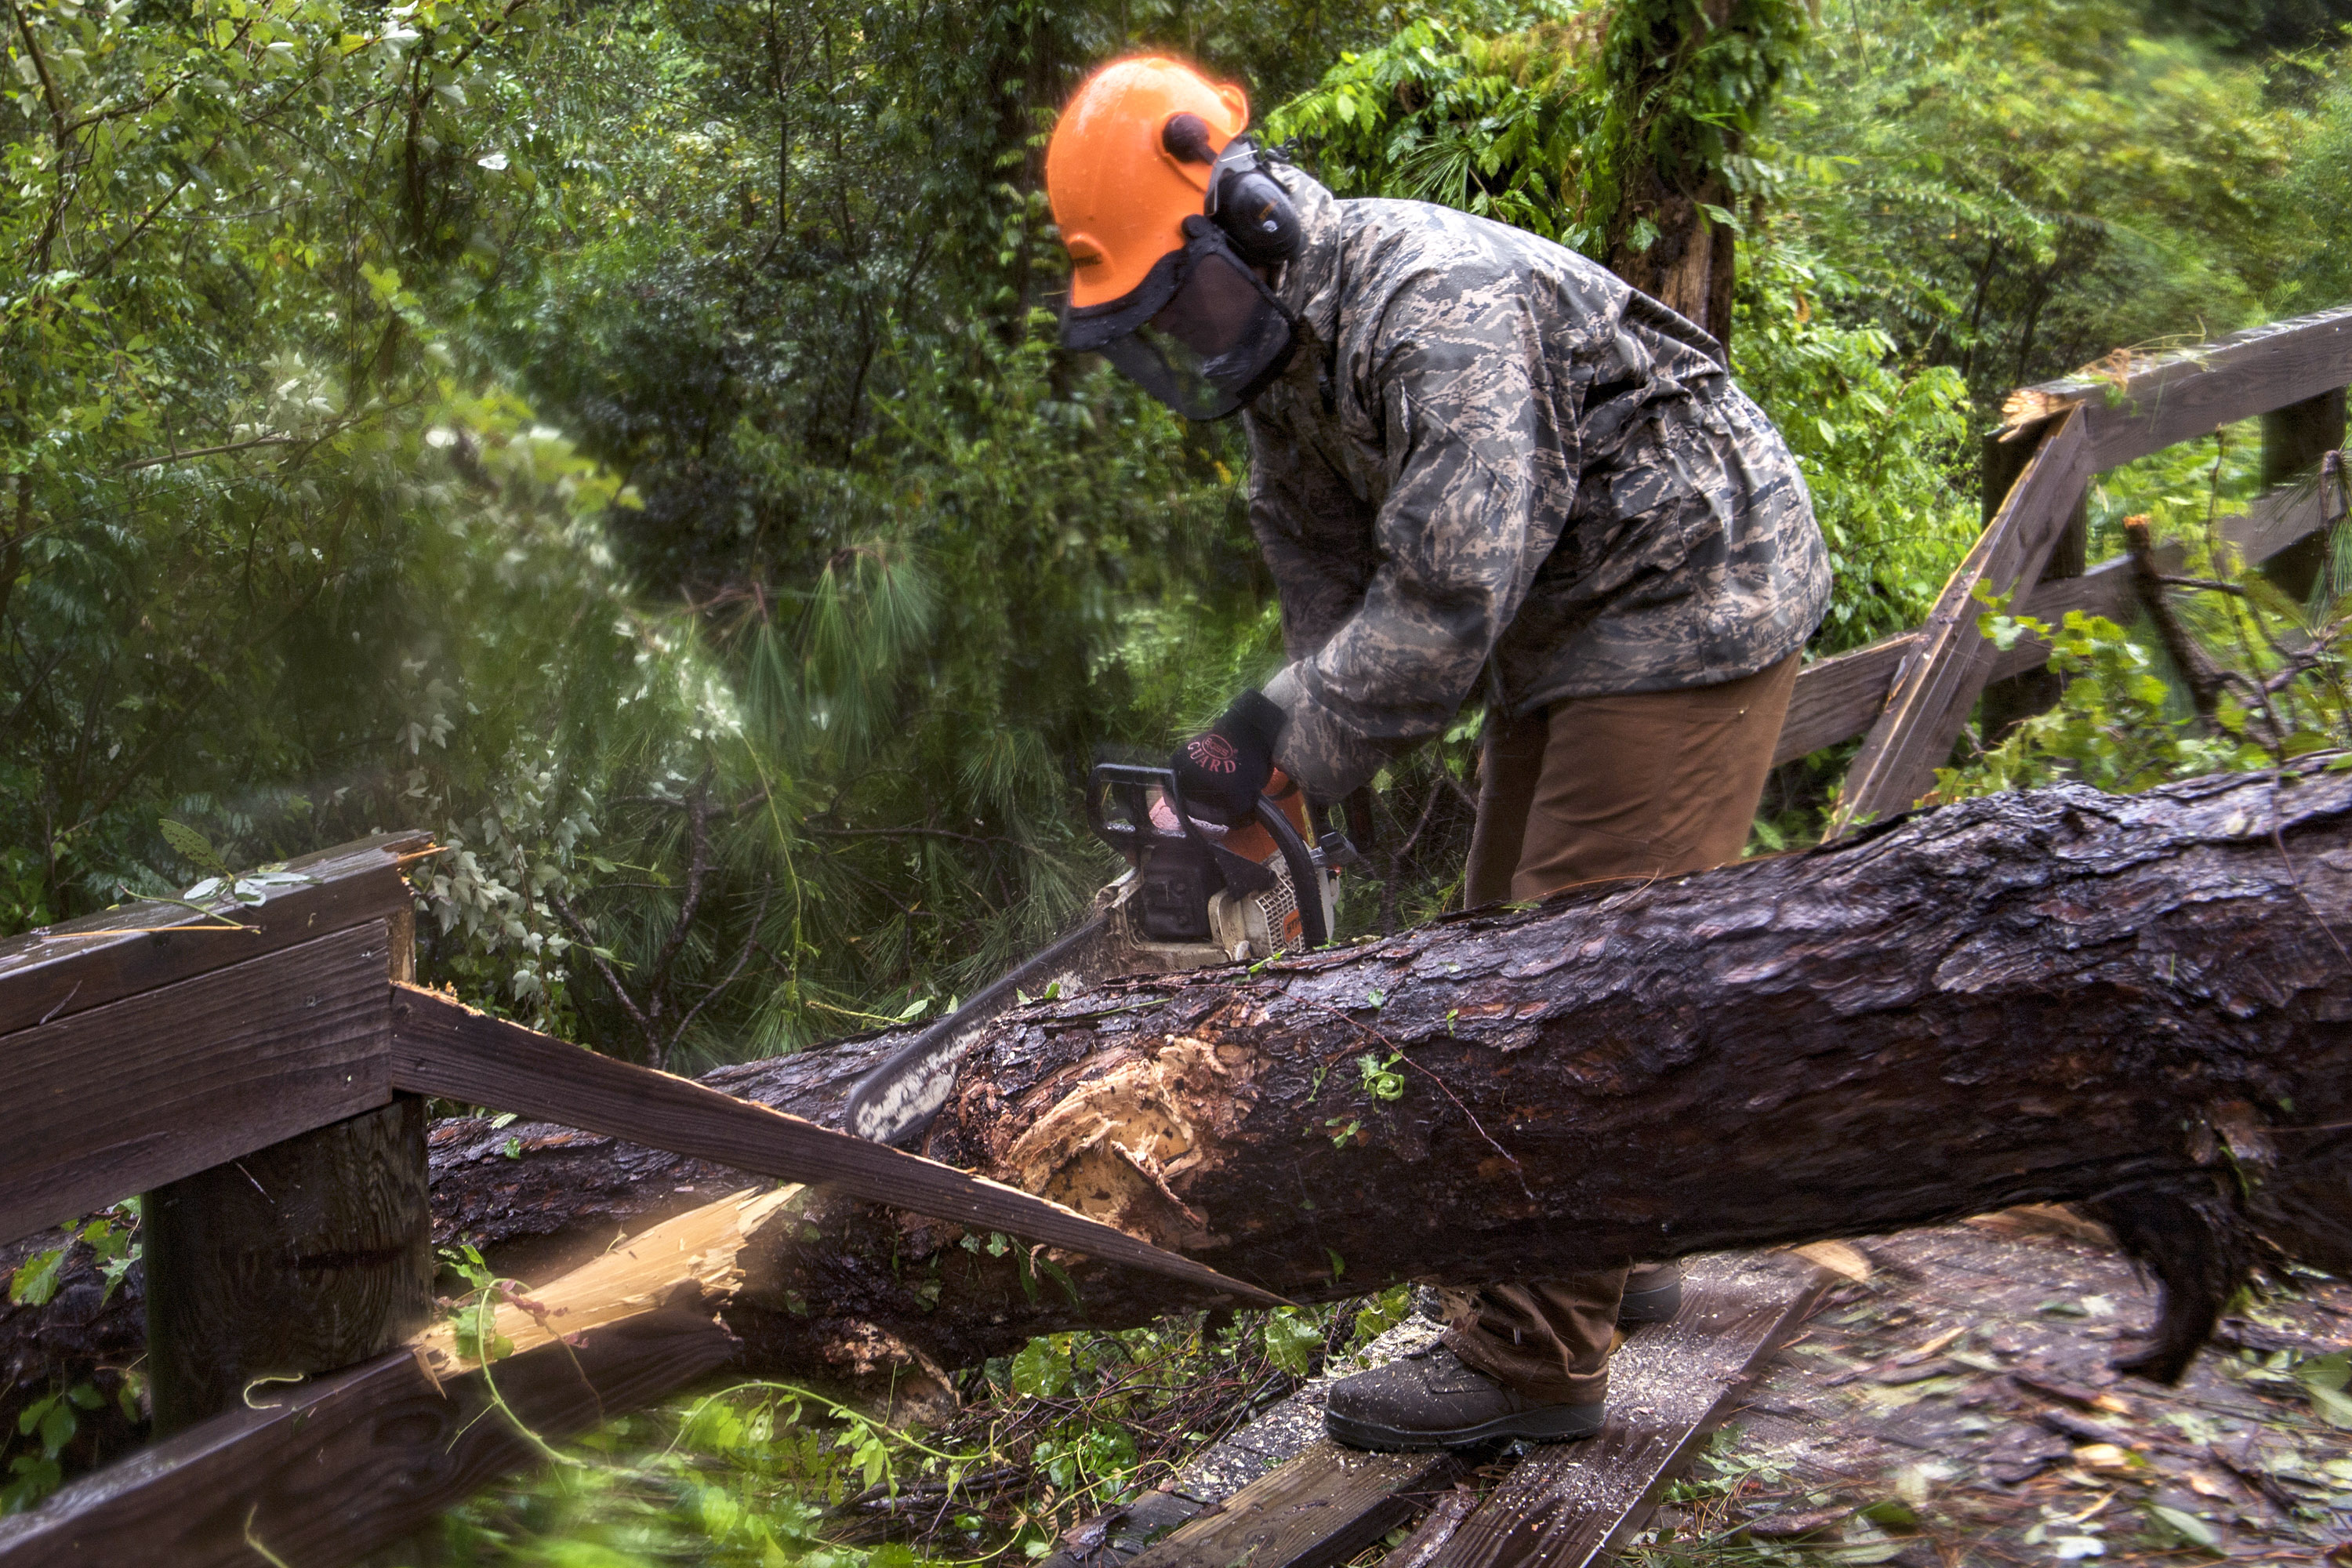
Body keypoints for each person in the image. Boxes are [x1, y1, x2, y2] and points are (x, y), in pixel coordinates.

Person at [1044, 55, 1831, 1452]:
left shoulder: (1431, 312)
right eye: (1156, 325)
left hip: (1690, 586)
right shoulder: (1283, 387)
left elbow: (1441, 613)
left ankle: (1535, 1359)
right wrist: (1252, 781)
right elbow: (1332, 629)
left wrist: (1265, 754)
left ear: (1255, 223)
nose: (1191, 338)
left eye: (1188, 296)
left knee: (1571, 973)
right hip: (1567, 619)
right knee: (1492, 948)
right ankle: (1620, 1247)